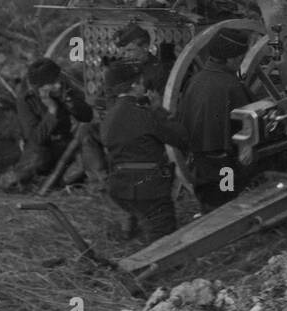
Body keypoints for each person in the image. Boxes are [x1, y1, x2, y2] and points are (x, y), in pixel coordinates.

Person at [100, 61, 187, 242]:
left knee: (143, 221)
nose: (144, 87)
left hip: (120, 187)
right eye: (141, 82)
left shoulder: (108, 116)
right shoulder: (144, 114)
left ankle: (130, 234)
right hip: (149, 189)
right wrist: (158, 109)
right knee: (163, 237)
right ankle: (151, 265)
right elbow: (180, 138)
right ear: (134, 85)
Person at [177, 27, 251, 212]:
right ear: (232, 58)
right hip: (223, 162)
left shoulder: (195, 80)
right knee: (225, 198)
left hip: (198, 158)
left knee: (209, 196)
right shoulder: (230, 86)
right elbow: (246, 123)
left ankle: (208, 217)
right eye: (240, 59)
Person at [4, 57, 93, 192]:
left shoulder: (64, 87)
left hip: (66, 144)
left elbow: (87, 116)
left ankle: (61, 182)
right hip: (42, 150)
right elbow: (35, 139)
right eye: (52, 83)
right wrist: (52, 111)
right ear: (39, 88)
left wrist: (69, 101)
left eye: (58, 79)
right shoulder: (25, 99)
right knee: (34, 162)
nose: (58, 85)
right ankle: (45, 182)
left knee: (85, 162)